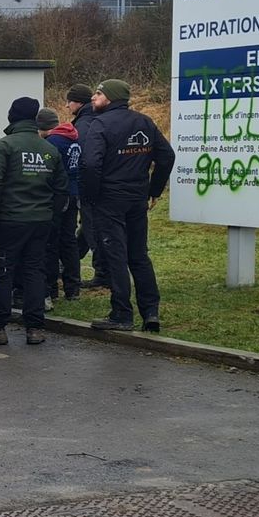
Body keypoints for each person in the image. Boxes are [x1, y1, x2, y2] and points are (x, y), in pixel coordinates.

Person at [78, 79, 176, 332]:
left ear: (110, 97)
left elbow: (90, 164)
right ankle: (150, 311)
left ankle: (121, 313)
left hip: (109, 200)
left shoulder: (100, 124)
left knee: (116, 256)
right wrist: (154, 189)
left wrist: (90, 195)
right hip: (137, 199)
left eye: (98, 94)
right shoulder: (143, 121)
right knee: (139, 255)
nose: (93, 98)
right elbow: (166, 156)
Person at [0, 97, 66, 346]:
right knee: (34, 271)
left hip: (10, 220)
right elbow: (61, 189)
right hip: (41, 221)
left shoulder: (5, 146)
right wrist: (51, 216)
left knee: (3, 272)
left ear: (12, 116)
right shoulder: (49, 149)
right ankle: (35, 328)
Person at [65, 83, 109, 291]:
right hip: (105, 184)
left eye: (69, 101)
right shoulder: (98, 119)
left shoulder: (83, 126)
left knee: (93, 229)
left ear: (78, 102)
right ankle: (66, 263)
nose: (67, 106)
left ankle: (103, 273)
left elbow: (83, 158)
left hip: (88, 184)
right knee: (88, 228)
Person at [37, 106, 83, 301]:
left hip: (57, 196)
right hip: (74, 194)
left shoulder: (52, 143)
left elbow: (49, 170)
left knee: (51, 243)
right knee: (69, 240)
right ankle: (73, 288)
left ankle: (51, 288)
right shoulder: (73, 138)